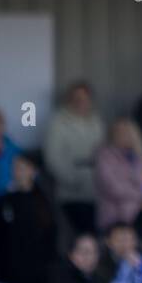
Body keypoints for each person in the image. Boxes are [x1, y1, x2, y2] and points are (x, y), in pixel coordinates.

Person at [0, 154, 60, 283]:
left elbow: (51, 241)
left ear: (33, 171)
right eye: (15, 168)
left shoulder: (44, 203)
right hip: (8, 279)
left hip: (38, 281)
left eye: (22, 167)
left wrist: (49, 275)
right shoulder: (2, 203)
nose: (17, 172)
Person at [43, 81, 105, 234]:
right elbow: (53, 158)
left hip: (96, 190)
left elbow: (104, 152)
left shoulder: (96, 122)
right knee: (80, 234)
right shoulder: (58, 122)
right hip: (70, 192)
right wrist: (73, 180)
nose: (80, 102)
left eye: (84, 98)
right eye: (76, 98)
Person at [94, 117, 142, 231]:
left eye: (127, 132)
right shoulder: (105, 156)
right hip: (115, 217)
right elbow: (112, 187)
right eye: (119, 132)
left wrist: (133, 182)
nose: (123, 135)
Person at [47, 233, 114, 283]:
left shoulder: (99, 278)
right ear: (71, 255)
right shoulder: (60, 278)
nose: (90, 257)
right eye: (85, 252)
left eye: (94, 252)